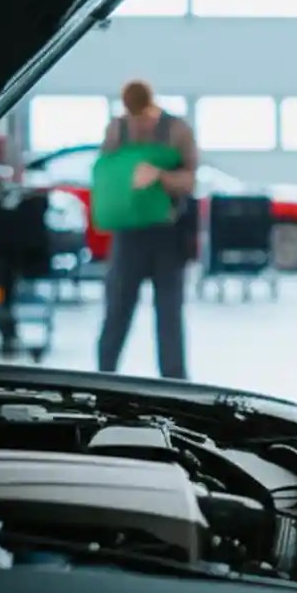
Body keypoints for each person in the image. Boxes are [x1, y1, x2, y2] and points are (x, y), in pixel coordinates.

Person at [97, 80, 197, 379]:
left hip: (168, 235)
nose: (138, 124)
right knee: (117, 310)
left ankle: (175, 384)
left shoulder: (176, 129)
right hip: (129, 235)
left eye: (143, 117)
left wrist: (160, 176)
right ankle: (103, 379)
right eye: (133, 117)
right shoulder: (116, 129)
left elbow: (190, 180)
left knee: (169, 315)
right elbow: (106, 171)